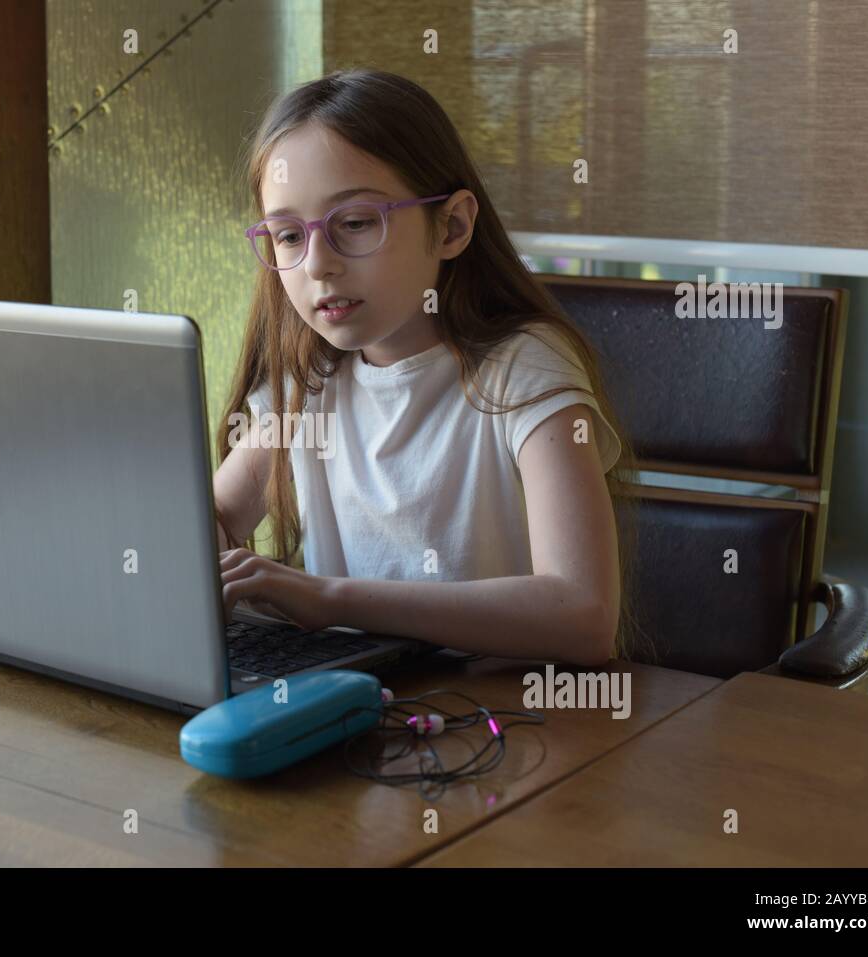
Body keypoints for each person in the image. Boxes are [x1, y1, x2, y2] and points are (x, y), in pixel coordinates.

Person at [213, 68, 641, 668]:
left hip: (513, 727)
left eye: (356, 222)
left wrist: (332, 599)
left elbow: (583, 615)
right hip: (364, 712)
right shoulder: (307, 385)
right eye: (287, 236)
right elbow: (215, 518)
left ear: (452, 226)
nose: (318, 265)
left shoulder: (523, 370)